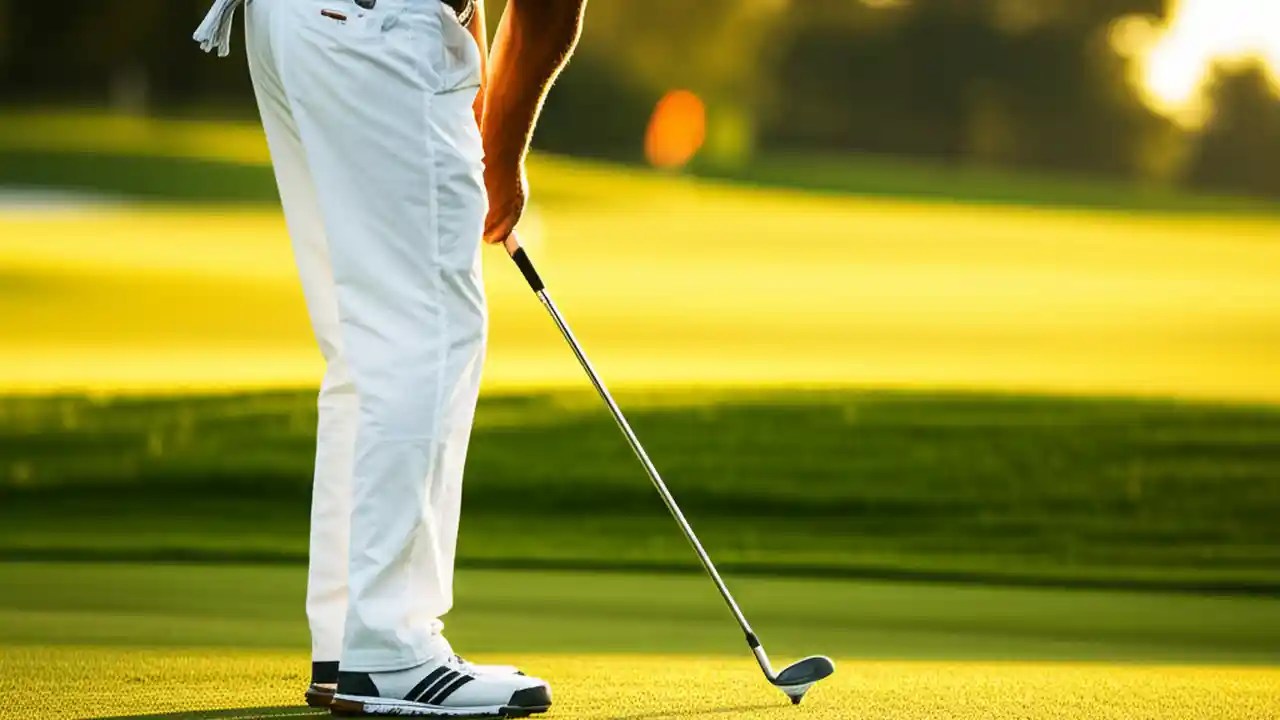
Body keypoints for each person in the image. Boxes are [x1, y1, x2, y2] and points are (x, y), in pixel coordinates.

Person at [193, 0, 587, 715]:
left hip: (289, 24)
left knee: (364, 341)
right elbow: (548, 8)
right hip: (373, 29)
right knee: (424, 332)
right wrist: (498, 152)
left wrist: (468, 109)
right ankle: (391, 648)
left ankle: (349, 646)